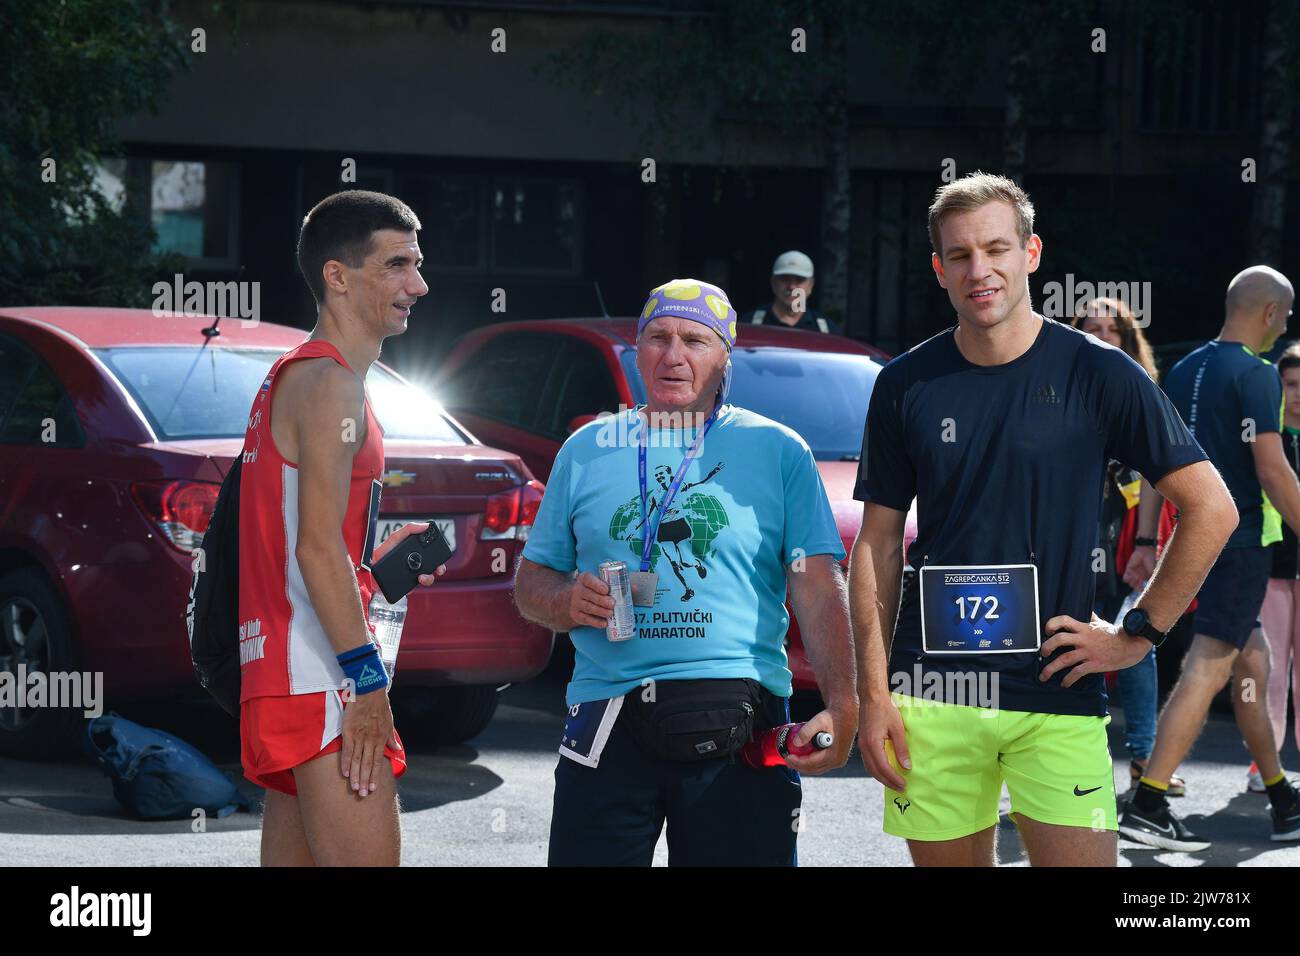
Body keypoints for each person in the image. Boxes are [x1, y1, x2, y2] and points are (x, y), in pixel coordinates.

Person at [851, 171, 1236, 867]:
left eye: (996, 249)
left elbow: (1213, 507)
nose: (981, 270)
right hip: (931, 698)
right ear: (939, 270)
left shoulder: (1102, 373)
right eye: (960, 256)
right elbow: (876, 547)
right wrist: (872, 695)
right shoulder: (905, 383)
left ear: (1030, 254)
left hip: (1058, 695)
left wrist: (1136, 635)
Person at [514, 278, 856, 866]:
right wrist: (567, 600)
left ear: (725, 355)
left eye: (695, 340)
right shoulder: (588, 447)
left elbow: (818, 586)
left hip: (738, 714)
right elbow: (531, 583)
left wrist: (844, 704)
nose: (674, 356)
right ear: (637, 348)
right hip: (606, 716)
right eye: (658, 338)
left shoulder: (779, 450)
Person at [239, 190, 443, 866]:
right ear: (337, 275)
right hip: (323, 673)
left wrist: (373, 563)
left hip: (287, 669)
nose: (418, 284)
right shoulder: (331, 384)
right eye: (396, 265)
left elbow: (307, 538)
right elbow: (315, 548)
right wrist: (367, 683)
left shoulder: (291, 375)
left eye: (416, 264)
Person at [1120, 265, 1300, 850]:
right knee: (1208, 665)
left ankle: (1280, 795)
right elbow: (1272, 472)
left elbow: (1157, 465)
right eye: (1286, 315)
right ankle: (1149, 800)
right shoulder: (1258, 374)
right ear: (1271, 313)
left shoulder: (1187, 366)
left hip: (1190, 539)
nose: (1285, 325)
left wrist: (1147, 543)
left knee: (1252, 664)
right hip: (1242, 544)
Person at [1071, 297, 1187, 797]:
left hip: (1125, 544)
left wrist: (1144, 544)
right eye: (1089, 328)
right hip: (1072, 543)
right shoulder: (1059, 390)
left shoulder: (1142, 393)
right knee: (1069, 647)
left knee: (1136, 645)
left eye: (1111, 329)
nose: (1100, 336)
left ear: (1128, 339)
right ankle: (1076, 761)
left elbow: (1156, 478)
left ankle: (1143, 757)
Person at [1256, 343, 1300, 791]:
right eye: (1290, 384)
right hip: (1271, 568)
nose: (1299, 393)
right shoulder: (1266, 437)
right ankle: (1265, 769)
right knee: (1270, 673)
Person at [742, 250, 842, 334]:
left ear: (811, 285)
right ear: (773, 283)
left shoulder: (827, 330)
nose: (792, 287)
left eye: (799, 280)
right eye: (785, 279)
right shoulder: (748, 324)